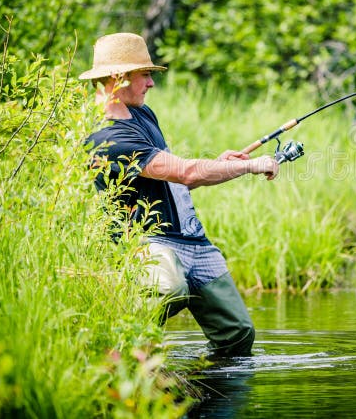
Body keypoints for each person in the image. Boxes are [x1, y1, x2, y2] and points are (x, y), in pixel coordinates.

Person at [79, 32, 279, 357]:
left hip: (193, 241)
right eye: (145, 74)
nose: (151, 83)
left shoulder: (142, 114)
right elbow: (185, 171)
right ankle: (122, 348)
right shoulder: (105, 136)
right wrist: (251, 166)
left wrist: (218, 166)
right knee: (169, 288)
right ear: (118, 78)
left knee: (238, 335)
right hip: (149, 242)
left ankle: (206, 395)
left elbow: (175, 178)